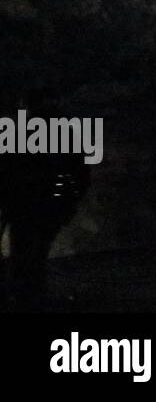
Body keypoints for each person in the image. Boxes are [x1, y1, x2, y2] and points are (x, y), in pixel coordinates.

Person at [0, 86, 91, 310]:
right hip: (44, 201)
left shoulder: (20, 130)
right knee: (35, 251)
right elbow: (78, 170)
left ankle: (25, 296)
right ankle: (29, 295)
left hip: (25, 202)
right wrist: (70, 200)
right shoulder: (63, 130)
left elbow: (8, 169)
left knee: (25, 250)